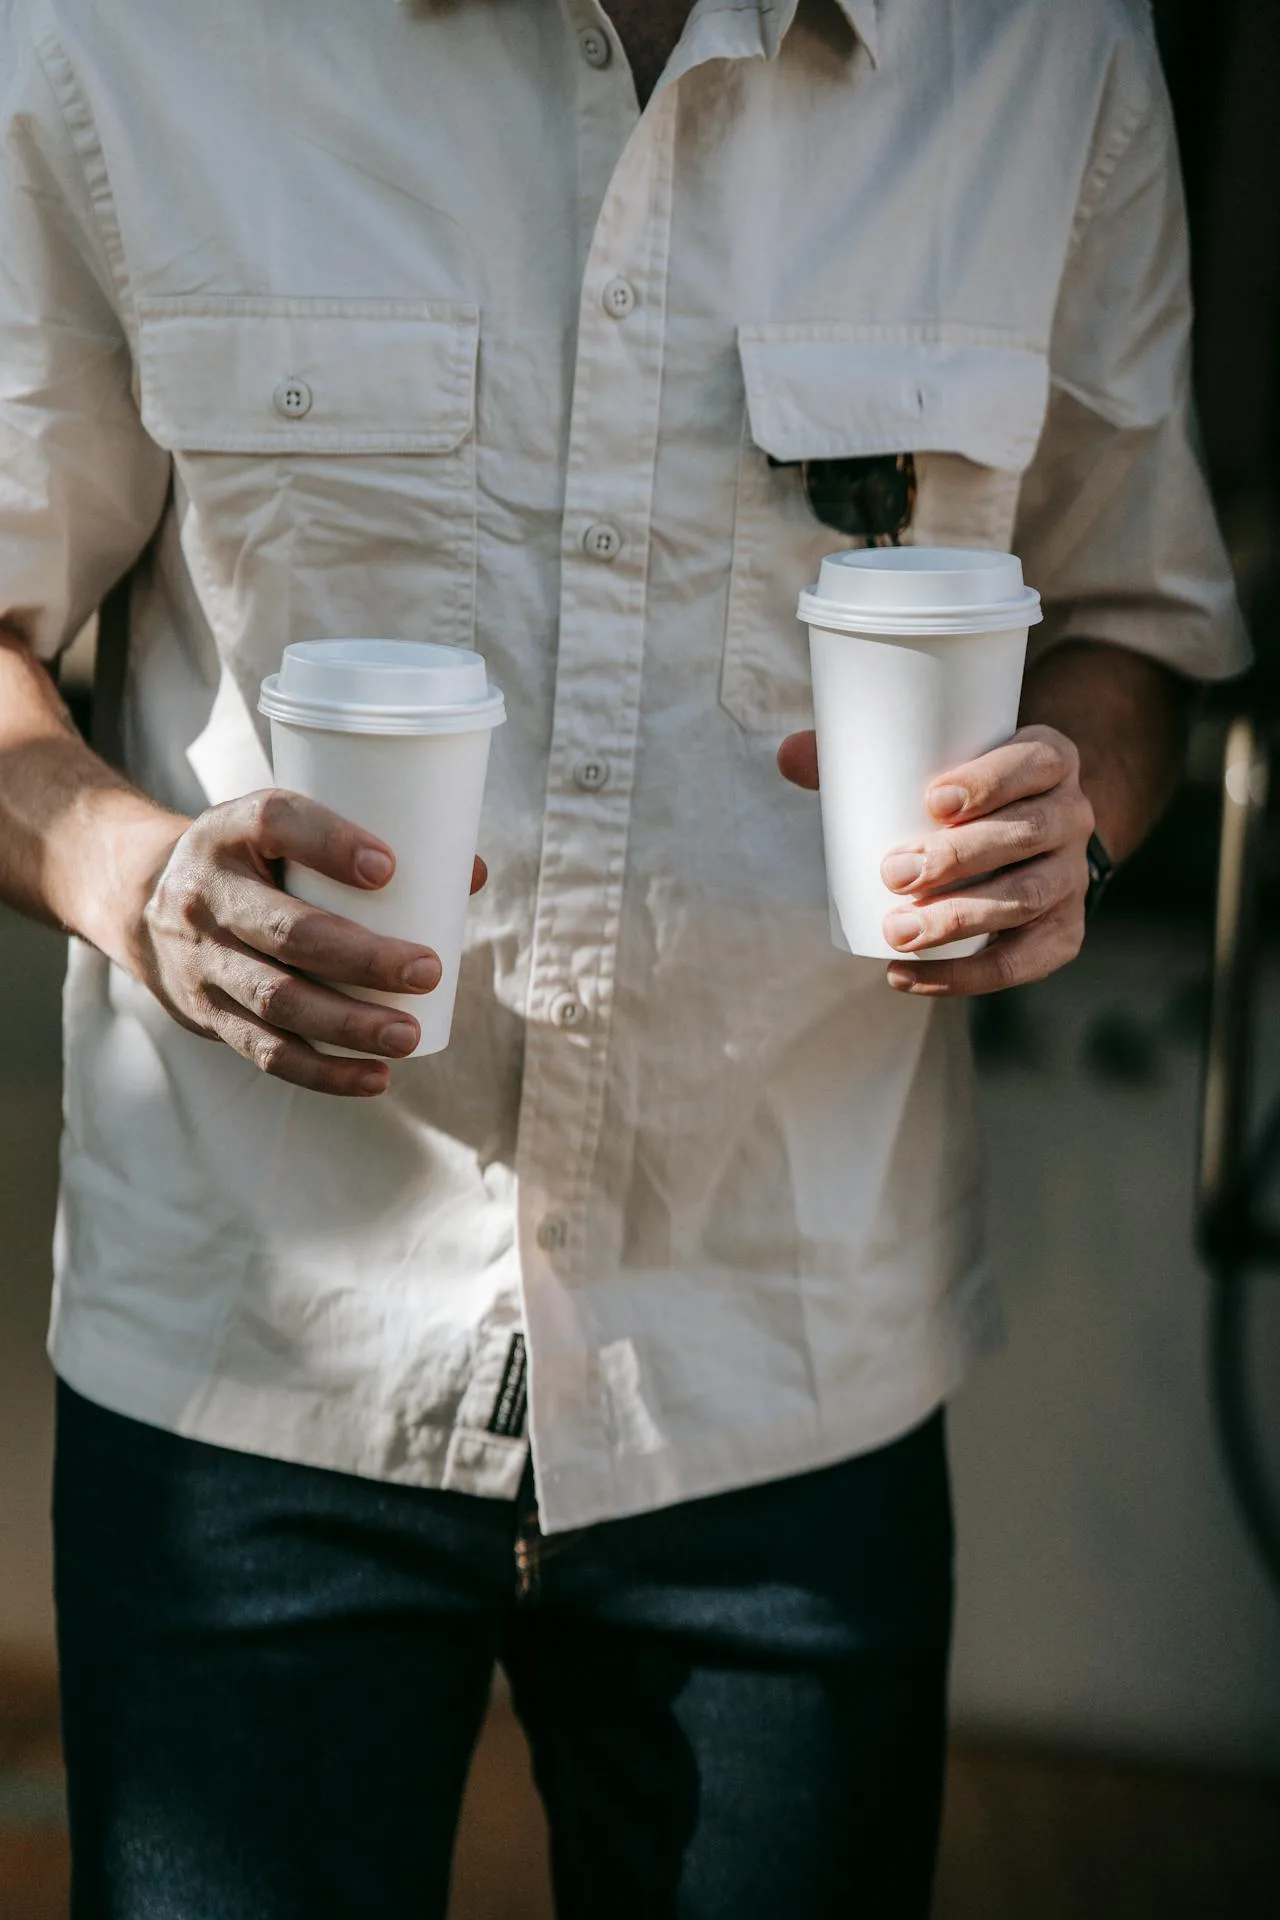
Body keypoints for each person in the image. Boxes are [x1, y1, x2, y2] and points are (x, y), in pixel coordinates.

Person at [0, 1, 1248, 1914]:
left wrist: (1072, 812)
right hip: (247, 1375)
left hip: (788, 1366)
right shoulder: (128, 32)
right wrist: (133, 875)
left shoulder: (1045, 50)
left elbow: (1137, 628)